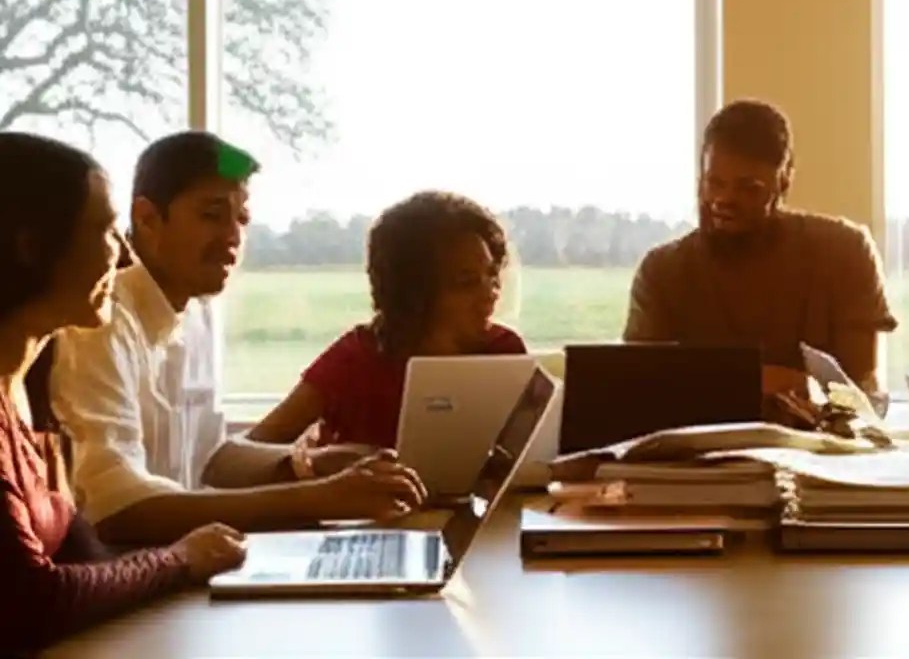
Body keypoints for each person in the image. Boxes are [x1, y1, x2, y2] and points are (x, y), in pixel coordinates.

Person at [50, 131, 425, 547]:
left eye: (242, 219)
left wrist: (308, 465)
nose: (233, 236)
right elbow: (112, 507)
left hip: (190, 563)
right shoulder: (100, 322)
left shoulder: (198, 313)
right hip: (126, 577)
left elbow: (210, 459)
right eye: (212, 215)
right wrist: (317, 499)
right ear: (147, 219)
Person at [0, 132, 245, 653]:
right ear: (32, 246)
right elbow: (32, 601)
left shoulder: (25, 390)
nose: (123, 253)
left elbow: (80, 552)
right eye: (106, 230)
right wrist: (177, 559)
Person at [202, 191, 526, 483]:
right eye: (466, 282)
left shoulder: (504, 351)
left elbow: (532, 461)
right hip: (366, 528)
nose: (490, 294)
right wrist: (315, 462)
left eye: (492, 276)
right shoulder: (358, 355)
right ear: (415, 292)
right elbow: (225, 464)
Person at [624, 99, 897, 393]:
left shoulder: (845, 252)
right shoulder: (662, 271)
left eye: (748, 188)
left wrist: (710, 381)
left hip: (820, 438)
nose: (724, 200)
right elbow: (642, 387)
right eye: (714, 183)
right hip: (696, 440)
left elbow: (859, 391)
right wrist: (786, 382)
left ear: (784, 181)